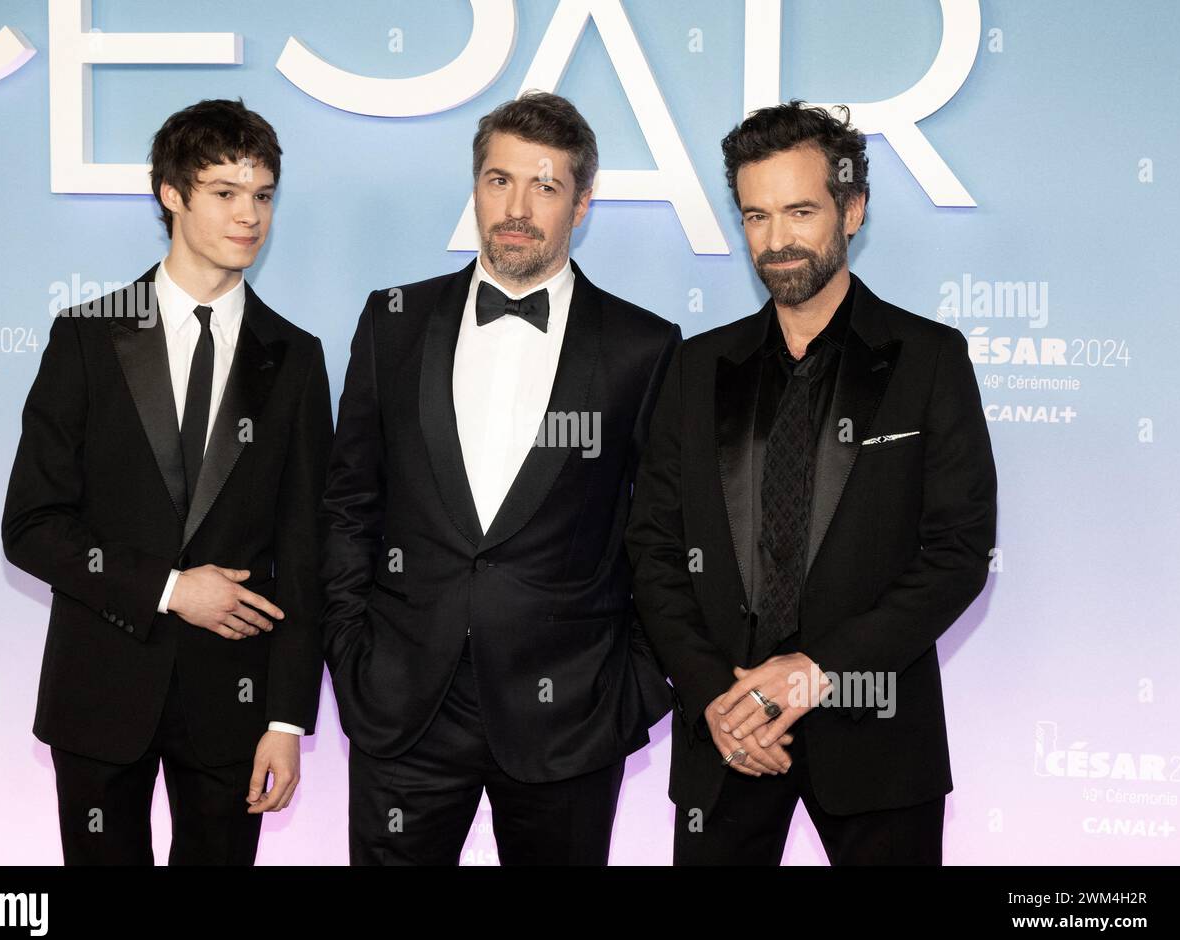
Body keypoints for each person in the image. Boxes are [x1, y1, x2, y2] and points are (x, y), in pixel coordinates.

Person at [625, 100, 997, 865]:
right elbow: (654, 549)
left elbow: (957, 553)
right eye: (756, 215)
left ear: (852, 209)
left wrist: (817, 673)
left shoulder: (928, 360)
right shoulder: (695, 369)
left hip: (877, 745)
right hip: (725, 741)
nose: (777, 239)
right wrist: (713, 699)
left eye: (800, 210)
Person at [322, 91, 678, 865]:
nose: (516, 208)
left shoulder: (643, 347)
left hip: (572, 714)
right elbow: (350, 503)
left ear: (581, 203)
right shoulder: (393, 320)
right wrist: (353, 655)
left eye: (545, 186)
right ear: (475, 186)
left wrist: (635, 690)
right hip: (405, 703)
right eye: (498, 181)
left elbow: (661, 535)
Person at [2, 98, 332, 865]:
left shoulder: (296, 357)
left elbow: (308, 549)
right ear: (172, 194)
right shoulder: (86, 338)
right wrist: (172, 588)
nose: (249, 215)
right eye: (224, 193)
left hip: (237, 706)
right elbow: (32, 526)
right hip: (100, 692)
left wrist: (287, 719)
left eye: (262, 195)